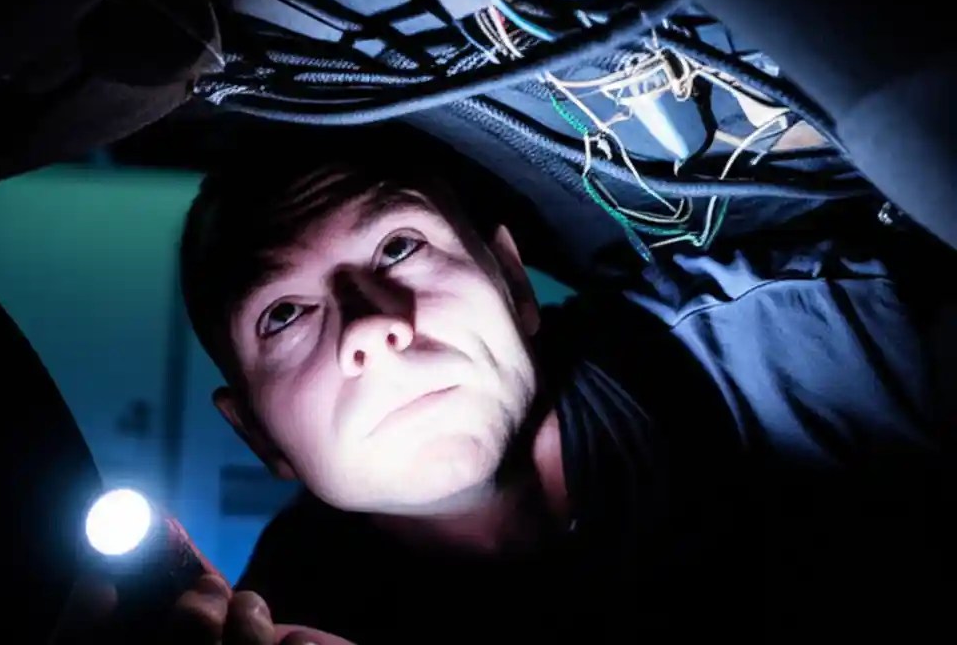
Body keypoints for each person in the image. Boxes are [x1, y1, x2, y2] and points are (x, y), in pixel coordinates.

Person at [164, 138, 954, 644]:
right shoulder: (289, 615)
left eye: (399, 246)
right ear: (260, 437)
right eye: (284, 315)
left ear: (512, 283)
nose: (371, 329)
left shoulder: (803, 343)